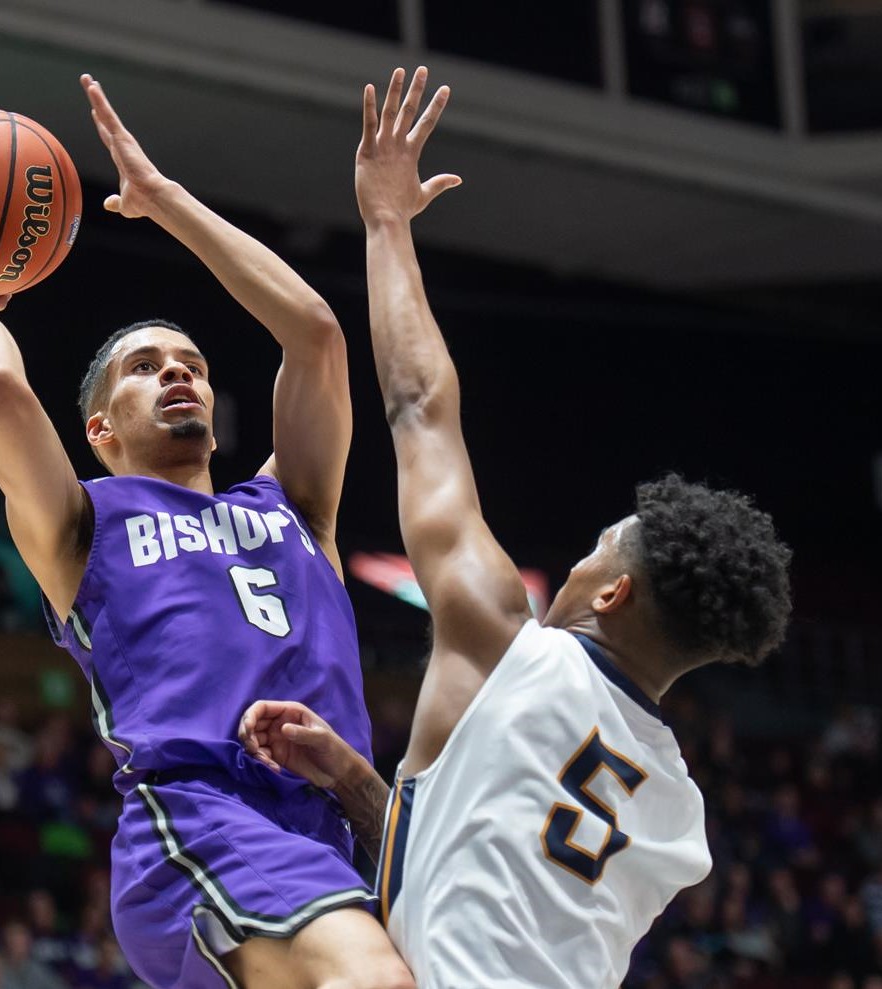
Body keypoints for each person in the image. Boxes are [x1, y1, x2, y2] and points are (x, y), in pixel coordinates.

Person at [240, 67, 793, 989]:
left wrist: (384, 224)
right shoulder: (675, 815)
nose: (578, 558)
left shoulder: (506, 643)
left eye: (596, 547)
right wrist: (352, 781)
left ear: (609, 591)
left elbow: (419, 403)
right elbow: (472, 875)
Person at [0, 74, 404, 989]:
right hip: (204, 815)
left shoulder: (293, 507)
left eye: (193, 365)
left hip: (345, 832)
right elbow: (2, 392)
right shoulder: (86, 524)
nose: (178, 375)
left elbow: (316, 336)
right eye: (145, 367)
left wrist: (166, 203)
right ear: (99, 429)